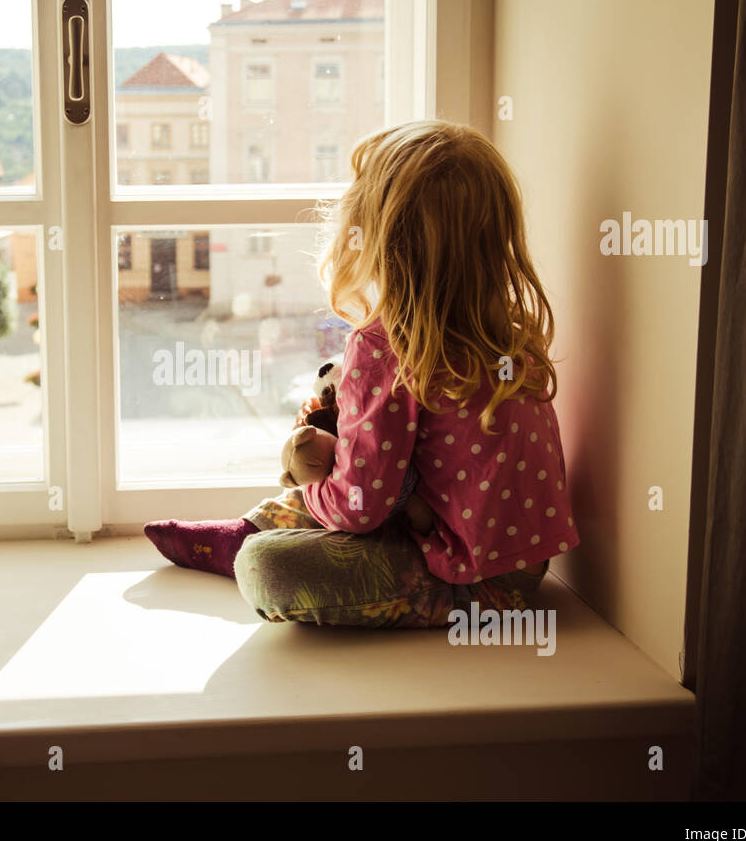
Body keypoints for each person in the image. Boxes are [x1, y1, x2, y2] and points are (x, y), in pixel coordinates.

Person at [145, 121, 579, 627]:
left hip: (472, 587)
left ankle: (245, 543)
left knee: (266, 566)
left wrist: (317, 478)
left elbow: (358, 508)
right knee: (349, 477)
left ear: (378, 239)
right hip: (523, 568)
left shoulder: (383, 347)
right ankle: (246, 528)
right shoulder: (505, 329)